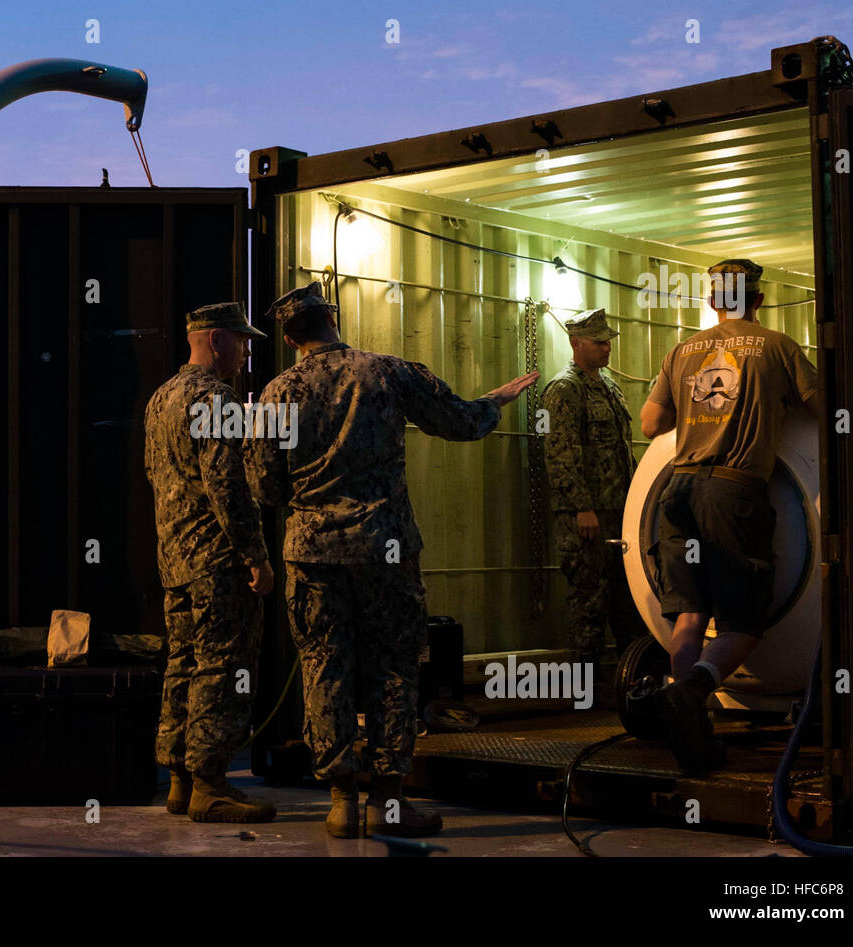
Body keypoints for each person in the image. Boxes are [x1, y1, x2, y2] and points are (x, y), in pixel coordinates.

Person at [245, 281, 537, 838]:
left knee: (324, 665)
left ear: (288, 336)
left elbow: (264, 486)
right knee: (394, 666)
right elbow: (461, 423)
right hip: (385, 547)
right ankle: (387, 798)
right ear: (333, 319)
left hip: (311, 555)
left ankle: (339, 801)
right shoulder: (387, 371)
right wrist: (495, 401)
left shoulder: (275, 395)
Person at [640, 259, 819, 773]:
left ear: (715, 301)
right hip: (733, 492)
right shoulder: (778, 346)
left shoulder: (682, 351)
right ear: (758, 301)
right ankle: (691, 692)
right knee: (744, 622)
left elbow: (652, 422)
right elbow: (820, 406)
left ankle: (690, 730)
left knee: (690, 614)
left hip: (676, 490)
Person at [143, 301, 277, 822]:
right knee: (224, 667)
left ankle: (179, 779)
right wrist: (255, 556)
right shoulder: (215, 399)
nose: (246, 353)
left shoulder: (161, 399)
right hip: (218, 560)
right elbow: (228, 485)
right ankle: (211, 784)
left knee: (182, 665)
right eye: (242, 342)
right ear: (218, 340)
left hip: (174, 560)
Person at [542, 308, 646, 676]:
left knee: (626, 597)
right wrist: (581, 508)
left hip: (619, 513)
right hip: (586, 516)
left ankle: (630, 679)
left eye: (608, 342)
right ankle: (582, 689)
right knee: (588, 599)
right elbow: (560, 453)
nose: (606, 348)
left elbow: (621, 450)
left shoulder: (610, 387)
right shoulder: (563, 390)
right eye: (599, 342)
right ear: (575, 343)